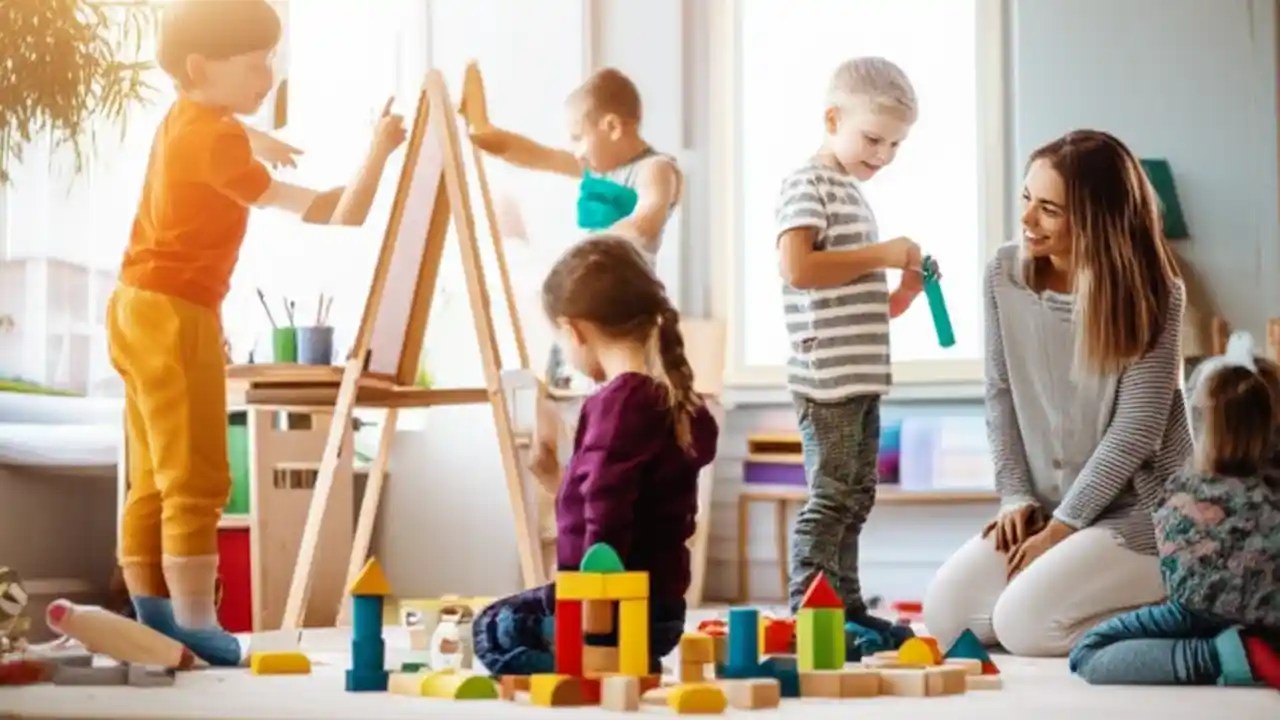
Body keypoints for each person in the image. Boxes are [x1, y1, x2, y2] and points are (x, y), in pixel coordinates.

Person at [110, 0, 406, 666]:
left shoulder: (186, 119)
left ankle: (156, 615)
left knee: (154, 476)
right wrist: (378, 151)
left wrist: (259, 140)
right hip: (174, 311)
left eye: (270, 61)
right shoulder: (214, 140)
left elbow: (215, 139)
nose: (267, 78)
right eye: (254, 66)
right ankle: (192, 620)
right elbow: (340, 213)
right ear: (199, 67)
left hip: (136, 306)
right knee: (199, 476)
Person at [922, 129, 1191, 656]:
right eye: (1026, 198)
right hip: (1047, 504)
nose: (1026, 219)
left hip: (1138, 512)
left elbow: (1137, 431)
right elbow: (1000, 393)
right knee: (951, 617)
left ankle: (1189, 600)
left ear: (1096, 220)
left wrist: (1063, 529)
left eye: (1049, 209)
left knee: (1024, 626)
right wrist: (1016, 495)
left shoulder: (1158, 293)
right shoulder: (1004, 273)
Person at [471, 236, 719, 675]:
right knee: (517, 615)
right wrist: (560, 478)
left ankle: (582, 662)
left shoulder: (619, 402)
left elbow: (607, 512)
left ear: (575, 330)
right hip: (661, 614)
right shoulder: (673, 402)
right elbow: (628, 496)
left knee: (492, 626)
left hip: (608, 611)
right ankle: (621, 657)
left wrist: (588, 604)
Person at [775, 56, 929, 651]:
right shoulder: (807, 183)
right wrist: (883, 253)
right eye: (873, 138)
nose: (883, 155)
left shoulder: (851, 194)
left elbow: (868, 306)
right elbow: (798, 268)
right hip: (828, 378)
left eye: (895, 143)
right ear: (833, 118)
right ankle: (810, 615)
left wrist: (906, 287)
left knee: (857, 496)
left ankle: (847, 607)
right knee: (832, 495)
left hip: (860, 374)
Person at [1069, 331, 1280, 687]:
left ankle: (1228, 655)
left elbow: (1177, 583)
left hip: (1198, 614)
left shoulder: (1188, 493)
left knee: (1090, 650)